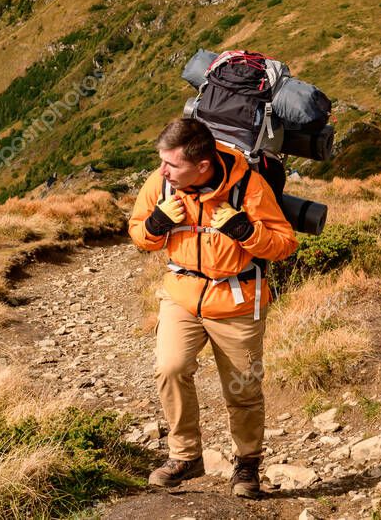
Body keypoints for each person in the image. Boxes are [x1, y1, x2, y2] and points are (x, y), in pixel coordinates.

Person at [128, 118, 297, 498]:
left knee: (242, 389)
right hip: (182, 294)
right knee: (170, 368)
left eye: (171, 164)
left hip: (237, 301)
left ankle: (247, 464)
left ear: (202, 165)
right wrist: (156, 223)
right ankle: (186, 457)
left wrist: (244, 231)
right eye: (162, 162)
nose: (162, 171)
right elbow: (139, 233)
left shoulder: (249, 188)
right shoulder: (162, 185)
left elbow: (285, 245)